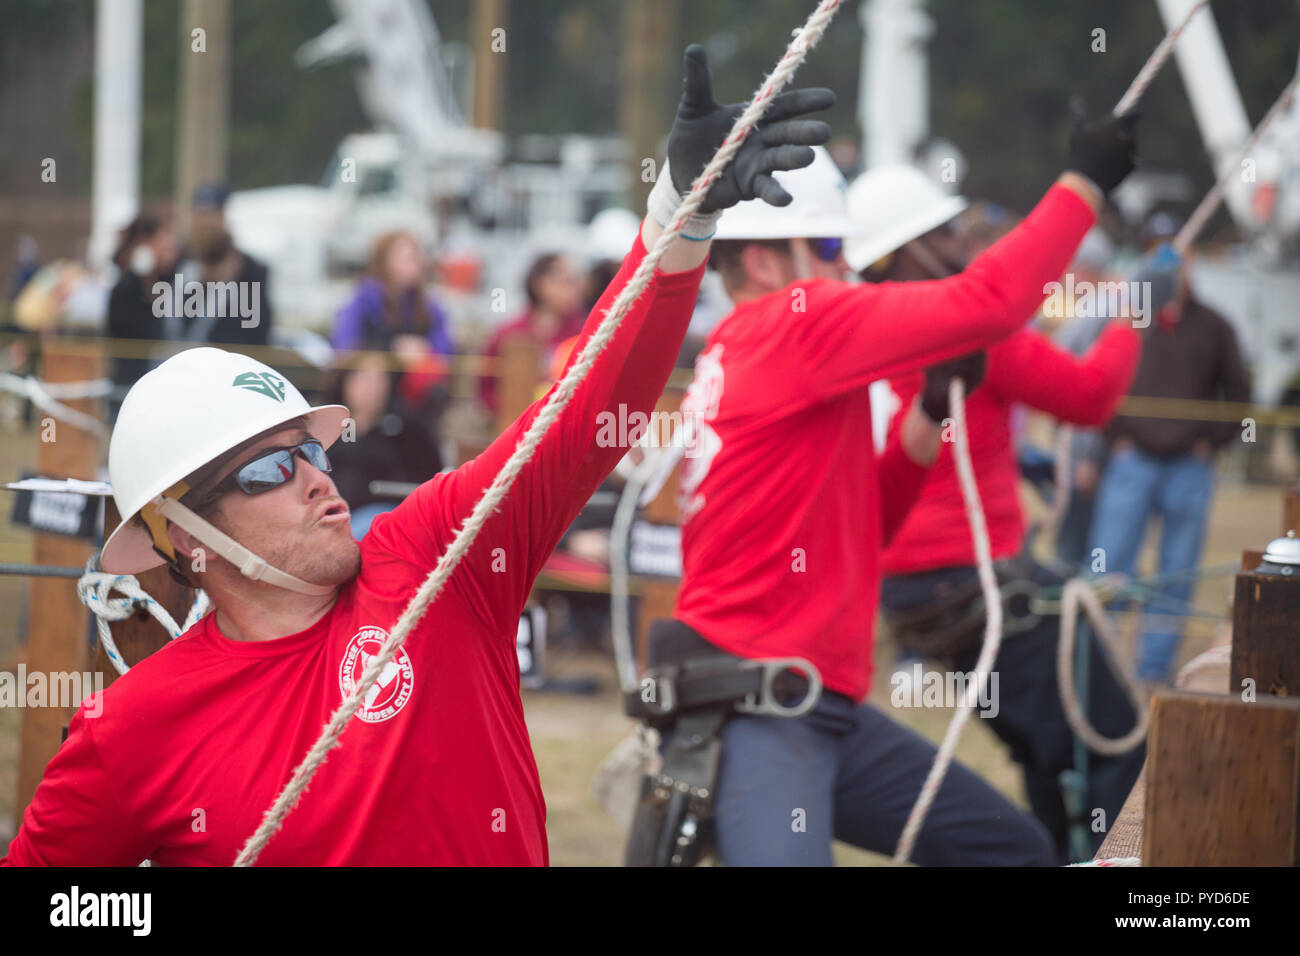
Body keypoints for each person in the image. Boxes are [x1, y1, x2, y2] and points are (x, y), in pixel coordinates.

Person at [2, 44, 835, 866]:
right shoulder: (133, 729)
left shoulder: (434, 559)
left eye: (309, 450)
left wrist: (680, 214)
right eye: (268, 469)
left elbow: (582, 415)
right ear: (187, 536)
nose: (315, 478)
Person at [635, 108, 1141, 867]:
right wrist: (1083, 184)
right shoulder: (794, 323)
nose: (847, 268)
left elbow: (865, 531)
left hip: (809, 703)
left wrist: (927, 416)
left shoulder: (750, 345)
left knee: (1013, 852)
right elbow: (990, 303)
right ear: (766, 263)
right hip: (761, 704)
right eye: (830, 248)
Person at [856, 167, 1143, 863]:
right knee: (1115, 743)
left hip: (914, 587)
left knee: (1048, 747)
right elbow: (1090, 397)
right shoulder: (970, 325)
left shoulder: (853, 325)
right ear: (910, 249)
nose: (963, 242)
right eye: (945, 232)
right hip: (975, 578)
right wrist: (1131, 318)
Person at [1087, 243, 1250, 687]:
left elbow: (1239, 393)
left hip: (1188, 469)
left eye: (1180, 264)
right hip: (1132, 462)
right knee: (1107, 563)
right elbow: (1099, 375)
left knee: (1177, 571)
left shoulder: (1215, 326)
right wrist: (1114, 435)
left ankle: (1153, 670)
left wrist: (1213, 441)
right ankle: (1095, 662)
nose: (1173, 273)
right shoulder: (1129, 323)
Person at [331, 230, 455, 422]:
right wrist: (392, 350)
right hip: (373, 392)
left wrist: (425, 352)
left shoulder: (428, 306)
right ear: (386, 261)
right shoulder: (363, 299)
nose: (417, 261)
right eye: (408, 256)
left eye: (417, 255)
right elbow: (345, 349)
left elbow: (446, 354)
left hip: (413, 397)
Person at [323, 349, 444, 539]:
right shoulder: (330, 427)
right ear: (345, 382)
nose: (371, 388)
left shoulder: (407, 428)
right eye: (363, 378)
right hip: (332, 512)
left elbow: (430, 477)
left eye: (379, 379)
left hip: (385, 514)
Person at [478, 252, 586, 415]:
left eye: (577, 283)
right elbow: (486, 385)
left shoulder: (584, 333)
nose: (574, 290)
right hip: (514, 421)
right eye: (566, 282)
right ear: (540, 284)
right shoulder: (509, 333)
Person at [175, 182, 274, 347]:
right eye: (200, 215)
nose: (205, 223)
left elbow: (257, 336)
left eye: (212, 215)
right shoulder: (176, 264)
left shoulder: (250, 272)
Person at [106, 213, 180, 422]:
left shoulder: (173, 283)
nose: (170, 255)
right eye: (163, 247)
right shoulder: (124, 290)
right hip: (130, 391)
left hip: (163, 391)